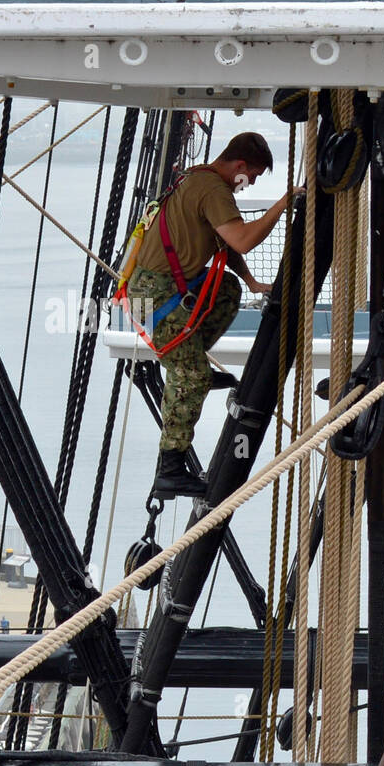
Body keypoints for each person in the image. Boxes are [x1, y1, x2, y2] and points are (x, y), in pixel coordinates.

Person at [127, 132, 290, 498]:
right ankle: (170, 469)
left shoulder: (197, 180)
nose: (249, 185)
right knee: (192, 378)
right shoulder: (213, 190)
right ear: (240, 166)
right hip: (156, 297)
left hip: (155, 291)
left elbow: (225, 245)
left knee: (228, 291)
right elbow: (243, 239)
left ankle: (190, 359)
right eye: (253, 177)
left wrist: (248, 281)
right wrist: (284, 202)